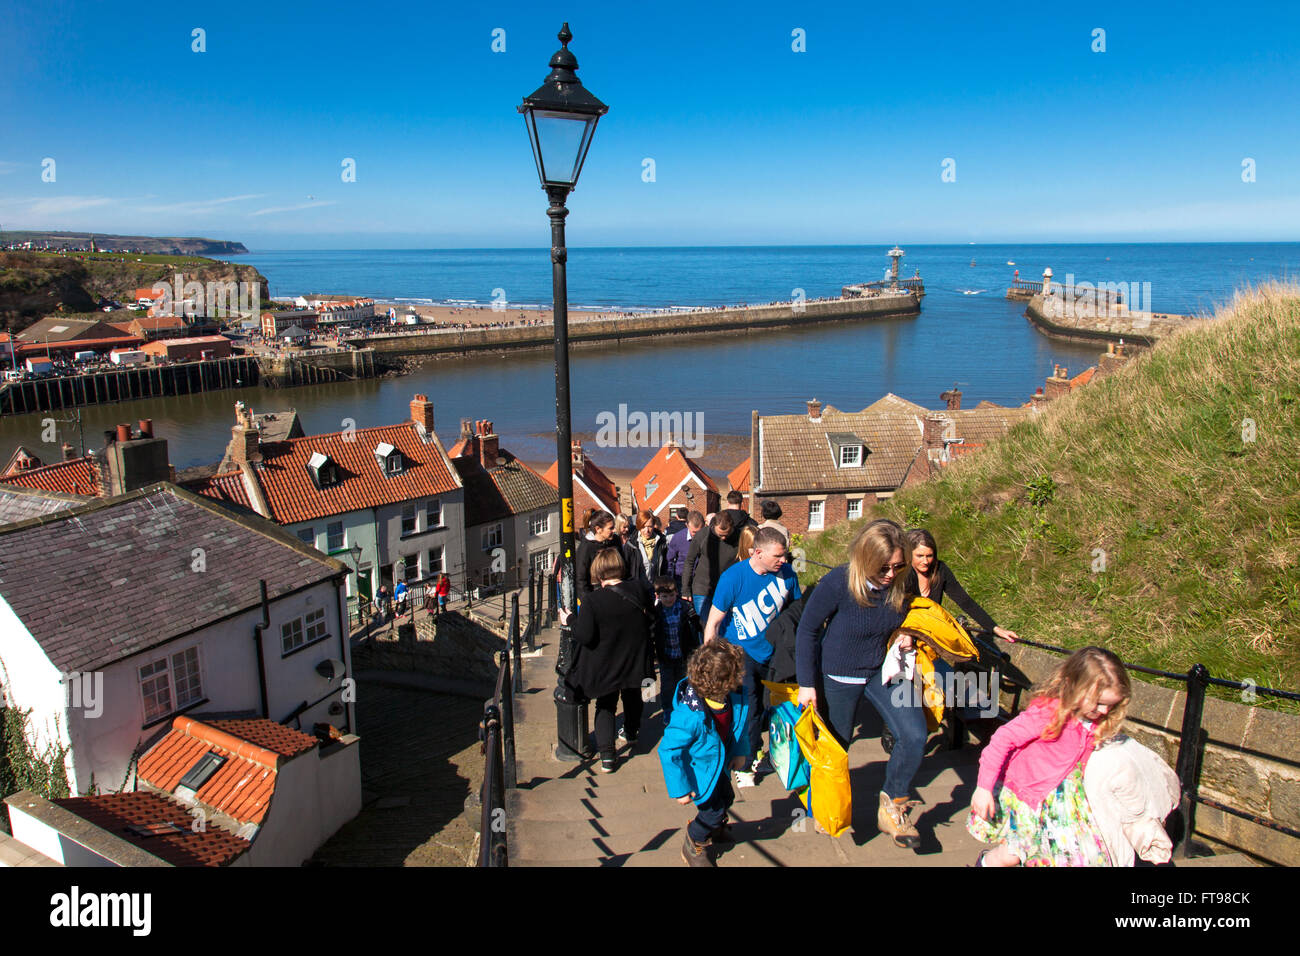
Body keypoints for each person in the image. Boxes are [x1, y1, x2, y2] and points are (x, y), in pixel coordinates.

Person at [795, 518, 925, 848]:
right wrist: (807, 684)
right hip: (838, 674)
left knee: (914, 733)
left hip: (882, 671)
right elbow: (808, 630)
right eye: (883, 567)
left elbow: (910, 618)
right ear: (865, 559)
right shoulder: (839, 582)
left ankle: (893, 804)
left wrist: (907, 634)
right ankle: (824, 805)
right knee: (836, 748)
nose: (891, 574)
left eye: (898, 566)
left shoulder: (900, 583)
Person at [968, 646, 1131, 867]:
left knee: (1077, 857)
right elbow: (1002, 740)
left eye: (1110, 706)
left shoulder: (1096, 721)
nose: (1104, 711)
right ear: (1074, 687)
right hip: (1027, 798)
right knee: (1012, 855)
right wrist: (983, 788)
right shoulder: (1048, 714)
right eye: (1099, 703)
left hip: (1064, 804)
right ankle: (985, 863)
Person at [704, 526, 801, 786]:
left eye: (785, 555)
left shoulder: (787, 574)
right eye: (778, 556)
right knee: (749, 710)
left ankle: (776, 755)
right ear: (758, 553)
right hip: (741, 654)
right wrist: (710, 665)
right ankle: (745, 764)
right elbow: (713, 622)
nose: (784, 561)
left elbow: (798, 611)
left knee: (777, 709)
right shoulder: (733, 577)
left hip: (776, 654)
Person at [560, 548, 656, 773]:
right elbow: (651, 617)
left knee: (606, 705)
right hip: (635, 657)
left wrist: (570, 619)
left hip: (606, 663)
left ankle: (607, 756)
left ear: (599, 573)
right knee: (634, 697)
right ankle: (632, 732)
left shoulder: (593, 600)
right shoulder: (640, 589)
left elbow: (584, 635)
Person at [659, 639, 750, 867]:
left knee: (727, 797)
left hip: (720, 764)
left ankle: (716, 828)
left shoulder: (735, 698)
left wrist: (740, 751)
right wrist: (679, 789)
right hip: (701, 772)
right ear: (724, 681)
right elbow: (668, 748)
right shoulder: (689, 716)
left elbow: (739, 727)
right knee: (712, 811)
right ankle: (695, 839)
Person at [904, 529, 1020, 643]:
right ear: (909, 554)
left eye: (929, 556)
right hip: (904, 637)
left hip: (929, 637)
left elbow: (965, 602)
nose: (925, 561)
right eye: (919, 556)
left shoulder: (940, 570)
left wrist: (996, 629)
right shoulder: (902, 575)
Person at [652, 575, 701, 722]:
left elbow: (697, 627)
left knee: (684, 683)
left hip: (683, 654)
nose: (669, 599)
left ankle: (683, 708)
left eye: (672, 595)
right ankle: (668, 709)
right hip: (666, 656)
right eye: (665, 596)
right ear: (658, 596)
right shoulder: (656, 612)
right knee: (667, 686)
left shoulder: (684, 608)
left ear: (677, 593)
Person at [685, 511, 740, 617]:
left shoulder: (740, 536)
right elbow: (689, 561)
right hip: (703, 589)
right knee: (705, 625)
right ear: (713, 526)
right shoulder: (702, 535)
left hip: (728, 588)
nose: (723, 538)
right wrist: (685, 590)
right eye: (720, 535)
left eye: (727, 534)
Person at [575, 510, 618, 606]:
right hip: (597, 598)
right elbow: (581, 580)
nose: (614, 530)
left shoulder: (615, 541)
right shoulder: (585, 548)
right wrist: (590, 604)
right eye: (610, 528)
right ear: (598, 529)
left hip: (617, 594)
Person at [628, 511, 668, 587]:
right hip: (637, 589)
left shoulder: (661, 543)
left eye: (650, 526)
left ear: (654, 526)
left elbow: (664, 566)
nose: (647, 531)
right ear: (639, 526)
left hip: (655, 587)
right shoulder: (631, 544)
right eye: (643, 527)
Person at [667, 510, 702, 591]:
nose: (696, 535)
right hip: (681, 579)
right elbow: (670, 560)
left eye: (699, 532)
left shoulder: (706, 537)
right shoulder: (678, 538)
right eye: (694, 532)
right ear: (687, 525)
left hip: (700, 581)